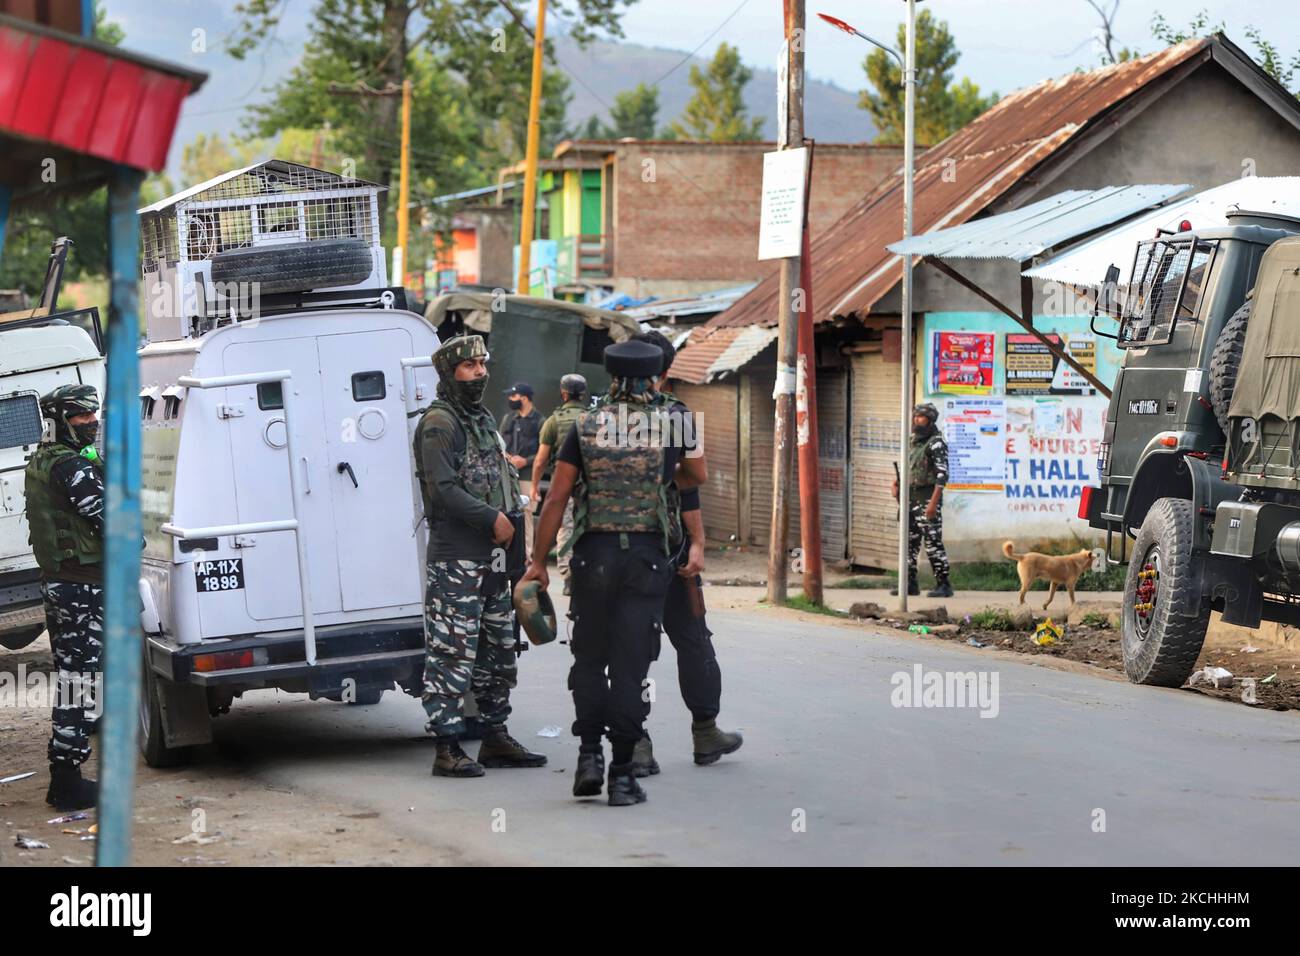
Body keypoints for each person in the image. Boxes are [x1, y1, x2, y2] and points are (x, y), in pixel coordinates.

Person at [522, 339, 706, 806]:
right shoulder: (677, 422)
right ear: (656, 377)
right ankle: (622, 776)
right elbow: (697, 476)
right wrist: (659, 475)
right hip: (645, 561)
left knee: (588, 660)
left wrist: (538, 561)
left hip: (591, 556)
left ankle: (588, 757)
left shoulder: (584, 425)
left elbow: (557, 496)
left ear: (613, 378)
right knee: (630, 667)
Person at [414, 335, 547, 777]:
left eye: (482, 364)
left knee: (498, 650)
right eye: (469, 366)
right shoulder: (439, 423)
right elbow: (443, 489)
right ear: (449, 372)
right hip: (457, 560)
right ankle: (447, 747)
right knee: (452, 652)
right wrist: (492, 519)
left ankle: (495, 737)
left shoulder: (484, 419)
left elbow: (504, 480)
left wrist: (519, 555)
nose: (480, 373)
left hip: (495, 560)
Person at [630, 330, 742, 777]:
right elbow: (693, 480)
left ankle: (646, 740)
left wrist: (695, 544)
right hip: (662, 548)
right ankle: (697, 732)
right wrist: (694, 543)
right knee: (687, 642)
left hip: (635, 551)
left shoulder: (601, 415)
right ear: (667, 369)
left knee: (637, 647)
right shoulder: (676, 415)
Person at [25, 384, 104, 811]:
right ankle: (66, 780)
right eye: (81, 417)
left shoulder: (43, 459)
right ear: (60, 422)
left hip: (62, 584)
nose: (91, 422)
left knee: (78, 676)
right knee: (79, 681)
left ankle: (68, 771)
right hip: (81, 587)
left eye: (93, 415)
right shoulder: (70, 466)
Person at [530, 373, 589, 596]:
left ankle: (569, 577)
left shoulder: (553, 421)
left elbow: (540, 460)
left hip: (563, 485)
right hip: (590, 486)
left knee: (566, 529)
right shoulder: (592, 418)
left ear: (563, 393)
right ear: (583, 394)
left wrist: (535, 486)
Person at [892, 402, 952, 598]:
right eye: (916, 416)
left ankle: (944, 584)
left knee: (932, 543)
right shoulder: (912, 440)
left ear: (930, 420)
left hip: (927, 498)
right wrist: (897, 485)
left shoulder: (936, 443)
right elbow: (908, 466)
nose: (917, 420)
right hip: (909, 497)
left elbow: (943, 475)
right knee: (909, 543)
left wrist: (933, 503)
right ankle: (910, 583)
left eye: (921, 417)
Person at [500, 382, 542, 560]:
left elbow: (545, 451)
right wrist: (509, 458)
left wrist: (526, 461)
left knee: (526, 515)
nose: (510, 399)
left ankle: (526, 556)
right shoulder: (508, 419)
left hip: (527, 476)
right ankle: (506, 554)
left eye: (513, 396)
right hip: (508, 475)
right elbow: (499, 444)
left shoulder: (540, 421)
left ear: (524, 398)